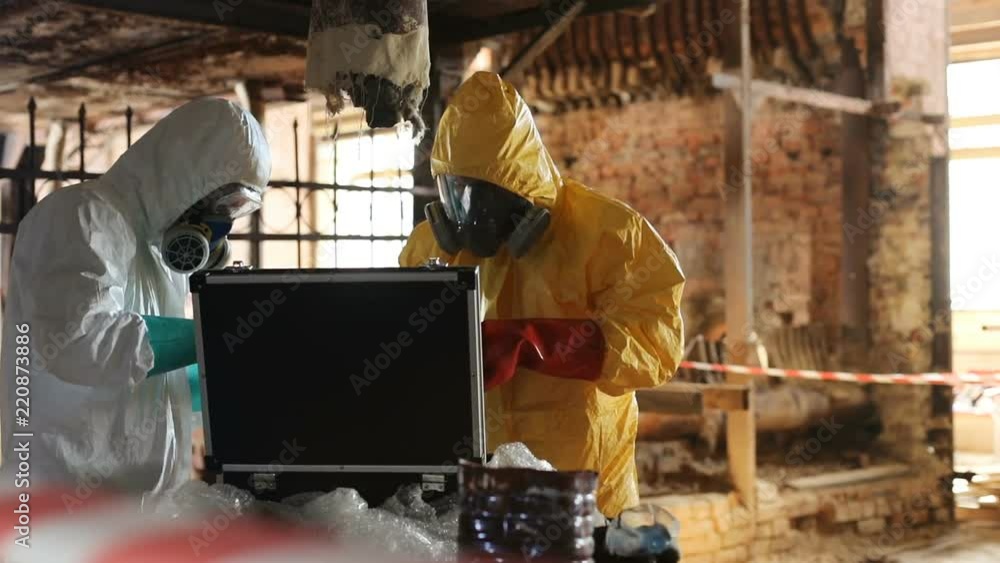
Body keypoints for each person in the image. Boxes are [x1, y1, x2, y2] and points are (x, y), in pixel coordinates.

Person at [400, 72, 685, 517]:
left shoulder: (609, 232)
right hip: (476, 489)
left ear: (520, 187)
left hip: (585, 492)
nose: (466, 211)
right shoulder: (429, 247)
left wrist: (535, 342)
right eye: (453, 190)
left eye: (481, 194)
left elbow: (656, 344)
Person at [0, 98, 271, 496]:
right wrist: (209, 333)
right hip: (59, 510)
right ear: (183, 176)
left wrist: (228, 369)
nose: (220, 223)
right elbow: (81, 342)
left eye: (235, 207)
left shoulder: (158, 254)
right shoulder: (81, 215)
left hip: (140, 512)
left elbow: (150, 375)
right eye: (217, 201)